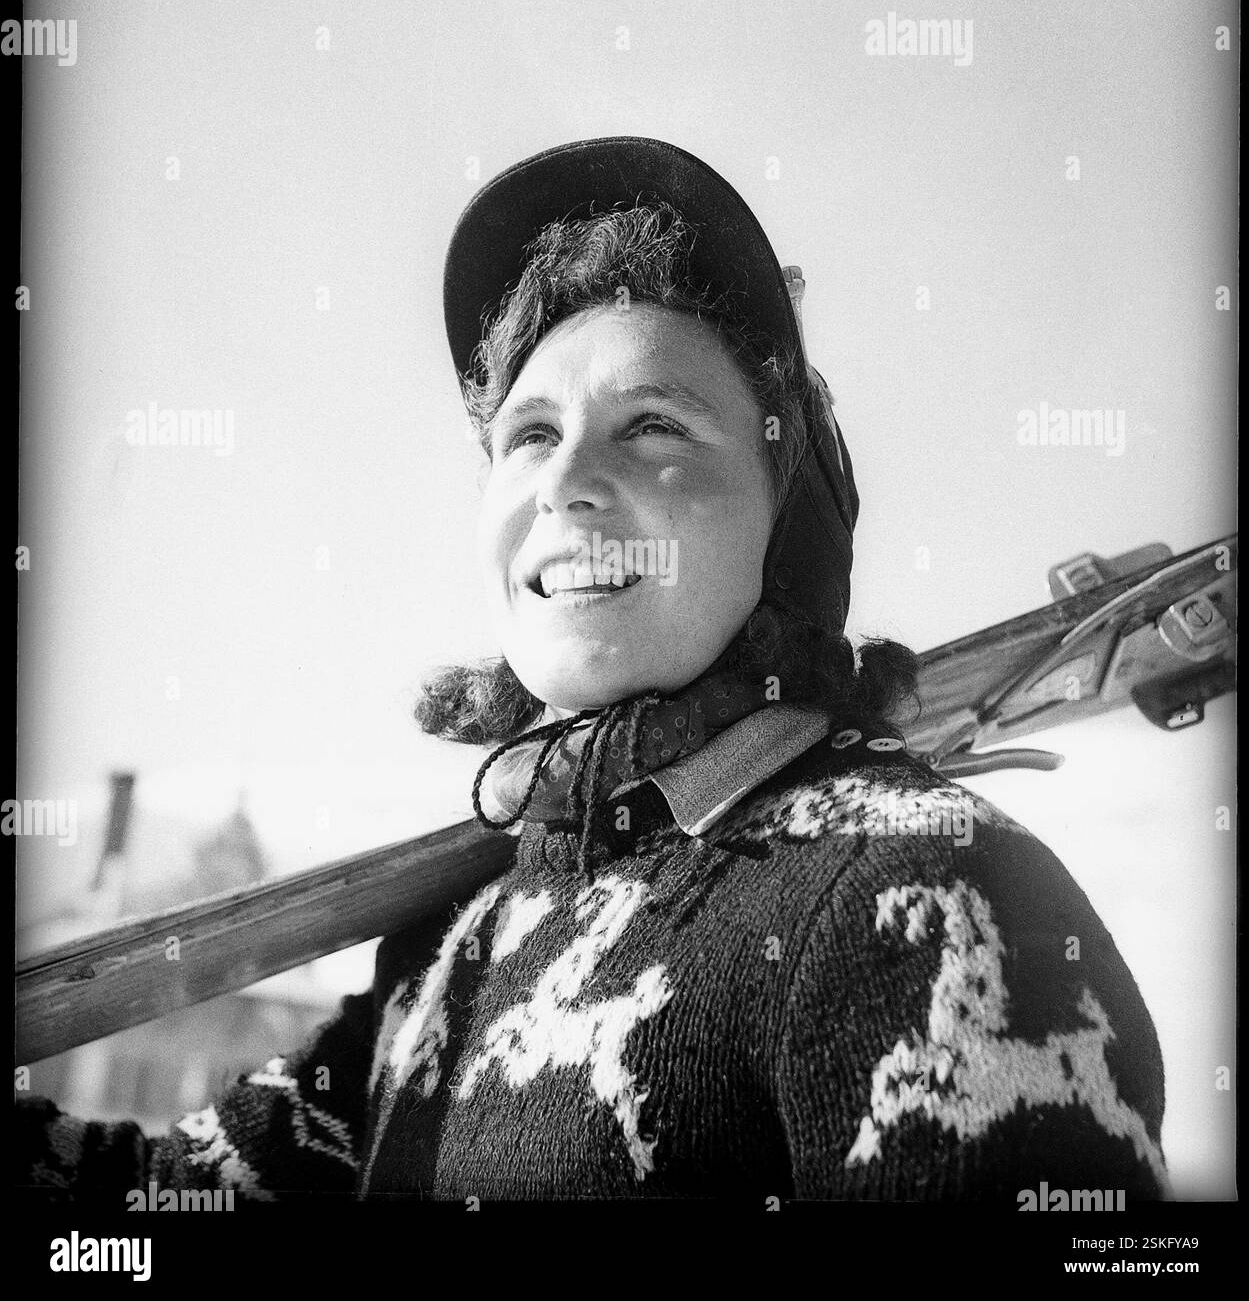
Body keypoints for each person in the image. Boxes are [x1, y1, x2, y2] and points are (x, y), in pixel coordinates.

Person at [18, 137, 1169, 1202]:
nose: (566, 481)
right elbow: (137, 1209)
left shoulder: (920, 894)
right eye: (528, 433)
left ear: (787, 524)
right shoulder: (456, 948)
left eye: (655, 425)